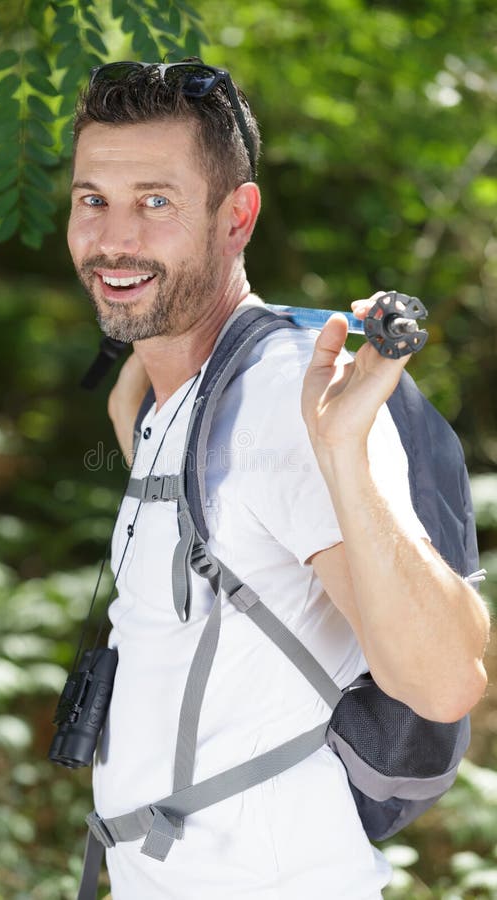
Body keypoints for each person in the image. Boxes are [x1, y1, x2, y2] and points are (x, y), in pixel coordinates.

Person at [66, 61, 490, 899]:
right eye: (93, 200)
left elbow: (445, 681)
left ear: (237, 217)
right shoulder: (181, 391)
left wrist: (339, 451)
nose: (115, 238)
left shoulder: (278, 401)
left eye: (157, 202)